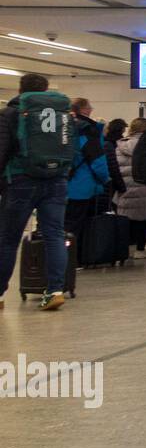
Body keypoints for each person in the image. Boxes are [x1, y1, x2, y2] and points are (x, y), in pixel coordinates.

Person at [0, 73, 74, 310]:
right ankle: (55, 290)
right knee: (54, 235)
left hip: (21, 180)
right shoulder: (63, 113)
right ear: (45, 89)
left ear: (21, 89)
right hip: (57, 179)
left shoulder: (10, 113)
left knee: (9, 239)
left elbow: (2, 150)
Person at [64, 97, 110, 256]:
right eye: (90, 106)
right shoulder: (87, 129)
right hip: (81, 184)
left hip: (59, 183)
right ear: (83, 109)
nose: (91, 109)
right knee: (75, 224)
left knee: (59, 223)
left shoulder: (62, 126)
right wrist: (105, 179)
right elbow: (97, 160)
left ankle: (54, 256)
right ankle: (71, 258)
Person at [113, 117, 146, 258]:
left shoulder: (120, 146)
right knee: (145, 219)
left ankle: (123, 249)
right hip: (145, 188)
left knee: (125, 220)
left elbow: (115, 167)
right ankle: (140, 249)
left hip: (125, 188)